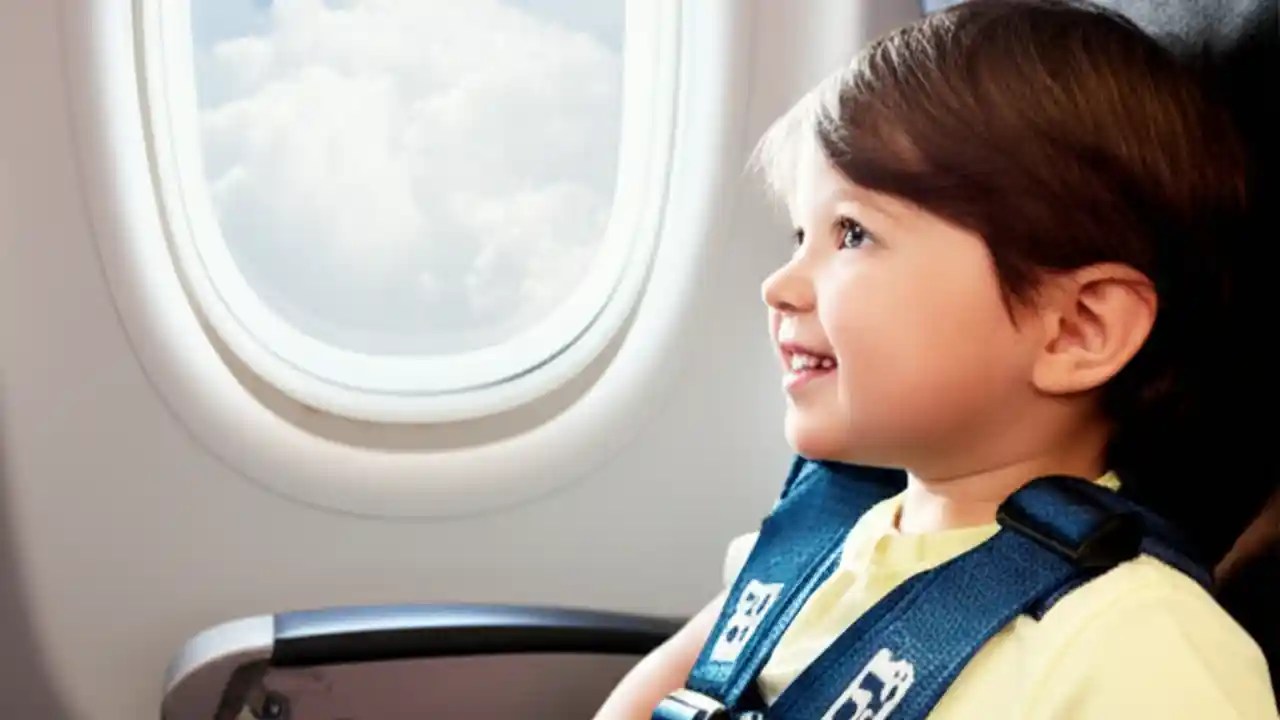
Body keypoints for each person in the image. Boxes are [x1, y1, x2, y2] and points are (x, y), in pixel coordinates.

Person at [593, 0, 1279, 717]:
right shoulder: (816, 545)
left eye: (852, 234)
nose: (781, 284)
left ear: (1076, 328)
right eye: (800, 234)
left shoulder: (1136, 643)